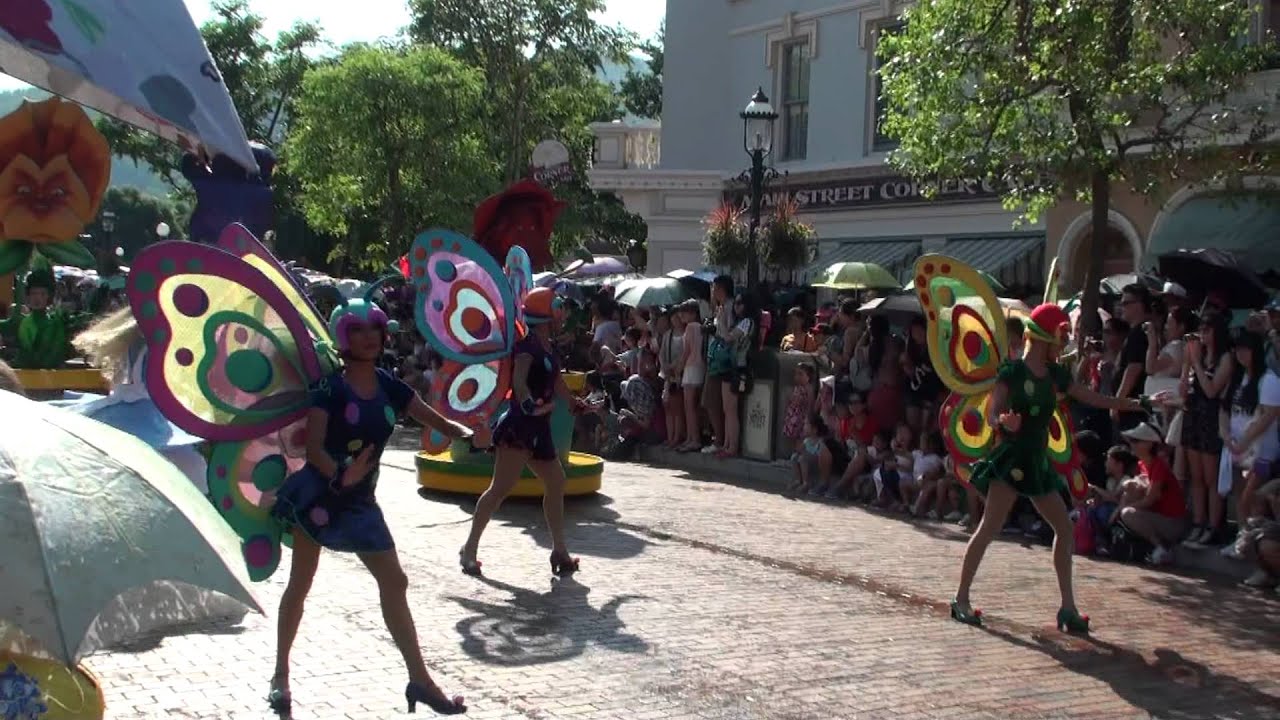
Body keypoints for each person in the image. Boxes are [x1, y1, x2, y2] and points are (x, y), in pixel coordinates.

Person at [268, 298, 472, 716]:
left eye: (374, 329)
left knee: (395, 582)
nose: (368, 337)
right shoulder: (330, 388)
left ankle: (419, 679)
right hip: (321, 497)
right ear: (344, 338)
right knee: (301, 585)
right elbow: (314, 449)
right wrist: (342, 473)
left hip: (361, 502)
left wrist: (465, 431)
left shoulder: (387, 384)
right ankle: (280, 675)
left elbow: (429, 416)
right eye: (358, 330)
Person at [949, 304, 1150, 633]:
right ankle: (960, 599)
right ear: (1046, 337)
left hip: (1037, 461)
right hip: (1011, 458)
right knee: (989, 528)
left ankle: (1067, 608)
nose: (1065, 341)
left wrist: (1136, 403)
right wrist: (1003, 421)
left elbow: (1093, 397)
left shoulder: (1057, 375)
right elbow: (992, 412)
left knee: (1065, 529)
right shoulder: (1012, 372)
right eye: (1062, 335)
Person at [459, 288, 583, 578]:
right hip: (520, 427)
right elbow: (519, 379)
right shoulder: (527, 347)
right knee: (500, 489)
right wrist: (528, 402)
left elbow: (559, 384)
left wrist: (575, 403)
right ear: (547, 313)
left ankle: (560, 551)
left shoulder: (549, 348)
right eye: (558, 307)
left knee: (556, 481)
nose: (562, 313)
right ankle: (469, 549)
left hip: (539, 428)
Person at [1118, 422, 1189, 565]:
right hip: (1159, 518)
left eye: (1136, 441)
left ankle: (1162, 548)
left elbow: (1150, 500)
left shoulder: (1159, 465)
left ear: (1150, 444)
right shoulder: (1142, 465)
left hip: (1173, 523)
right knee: (1129, 496)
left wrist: (1124, 509)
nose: (1132, 444)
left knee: (1128, 513)